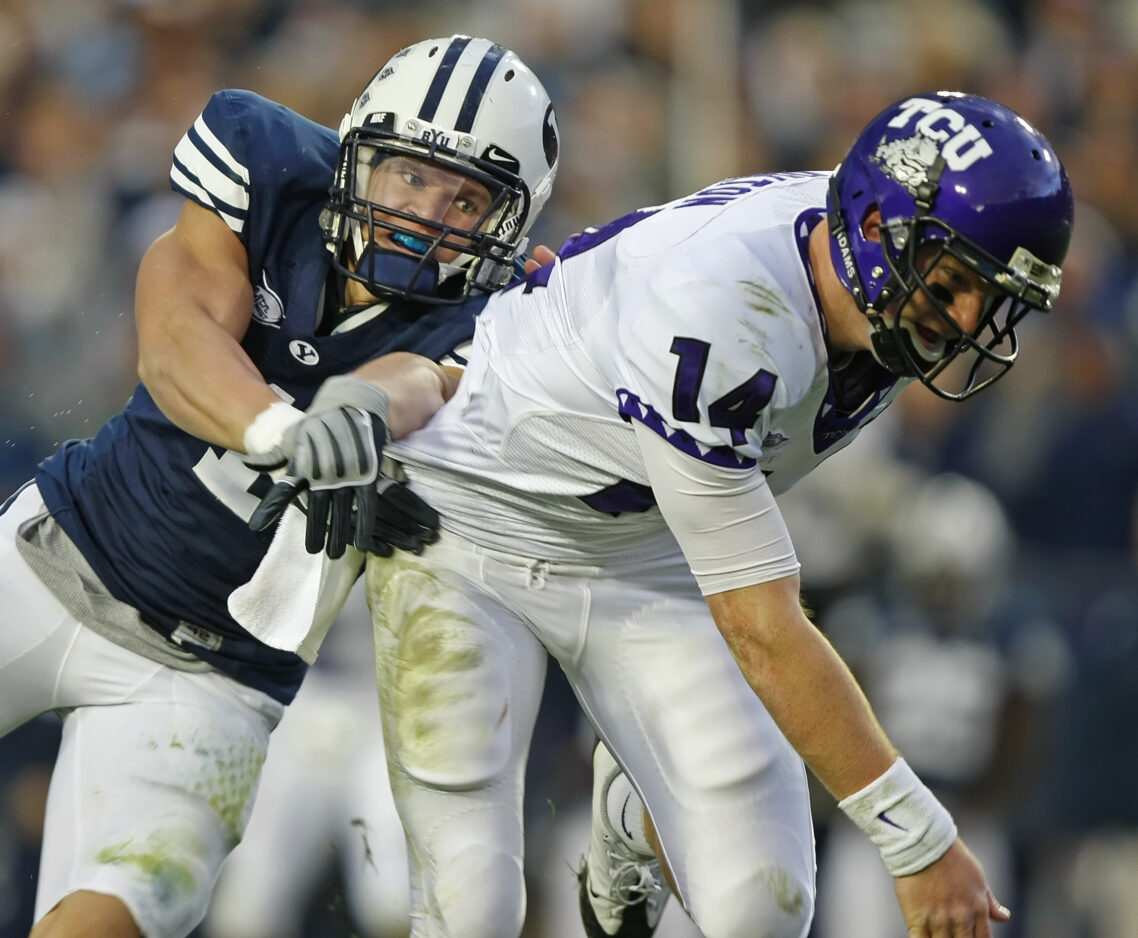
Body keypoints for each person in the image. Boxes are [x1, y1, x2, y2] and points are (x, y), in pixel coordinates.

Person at [283, 91, 1071, 938]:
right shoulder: (729, 307)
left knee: (763, 907)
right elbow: (764, 626)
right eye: (952, 285)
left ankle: (631, 812)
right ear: (877, 231)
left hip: (649, 539)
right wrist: (917, 841)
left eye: (987, 300)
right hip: (478, 519)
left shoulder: (855, 253)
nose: (963, 322)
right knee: (468, 907)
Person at [0, 34, 559, 938]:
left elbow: (420, 382)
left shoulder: (503, 321)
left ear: (509, 220)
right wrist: (288, 432)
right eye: (413, 178)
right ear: (356, 150)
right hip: (56, 557)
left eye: (469, 200)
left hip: (210, 676)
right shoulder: (263, 161)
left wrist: (364, 409)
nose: (431, 216)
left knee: (121, 912)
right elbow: (178, 336)